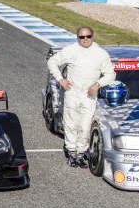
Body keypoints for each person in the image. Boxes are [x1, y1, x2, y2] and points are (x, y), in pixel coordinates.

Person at [47, 26, 115, 168]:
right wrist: (61, 79)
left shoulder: (101, 54)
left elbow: (111, 74)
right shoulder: (70, 50)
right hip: (72, 92)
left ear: (92, 36)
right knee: (71, 124)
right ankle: (71, 152)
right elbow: (52, 62)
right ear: (77, 38)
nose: (85, 39)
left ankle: (81, 153)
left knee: (85, 126)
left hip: (89, 96)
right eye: (82, 37)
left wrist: (97, 84)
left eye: (88, 36)